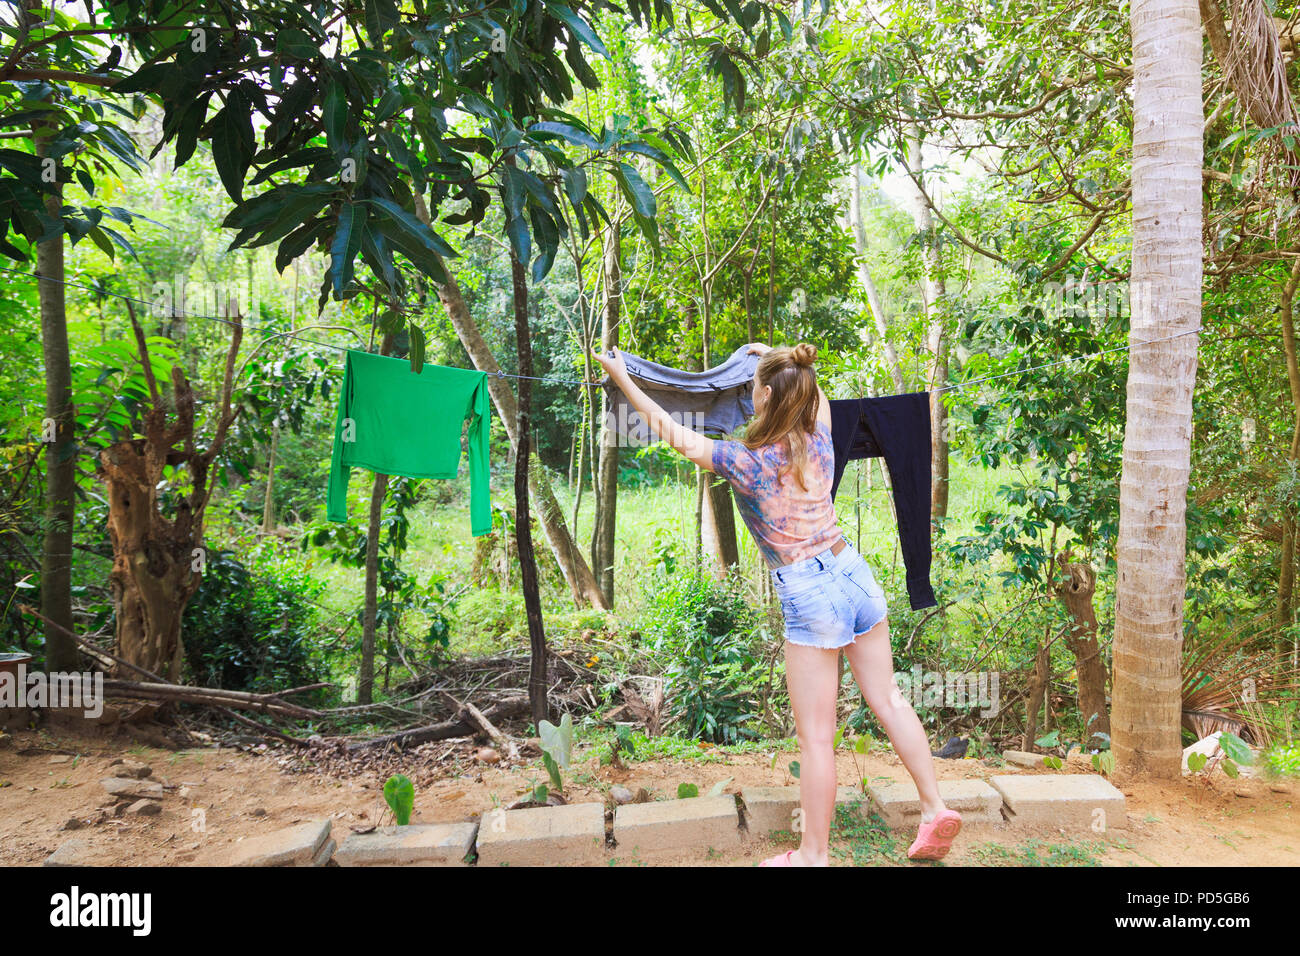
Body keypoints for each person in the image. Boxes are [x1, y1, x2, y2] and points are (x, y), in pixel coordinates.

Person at [593, 341, 961, 865]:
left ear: (763, 395)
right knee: (890, 700)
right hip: (854, 573)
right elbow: (821, 399)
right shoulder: (821, 437)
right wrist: (790, 359)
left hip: (810, 592)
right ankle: (933, 807)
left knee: (816, 739)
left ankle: (812, 855)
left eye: (753, 389)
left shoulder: (744, 462)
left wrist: (623, 377)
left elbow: (670, 431)